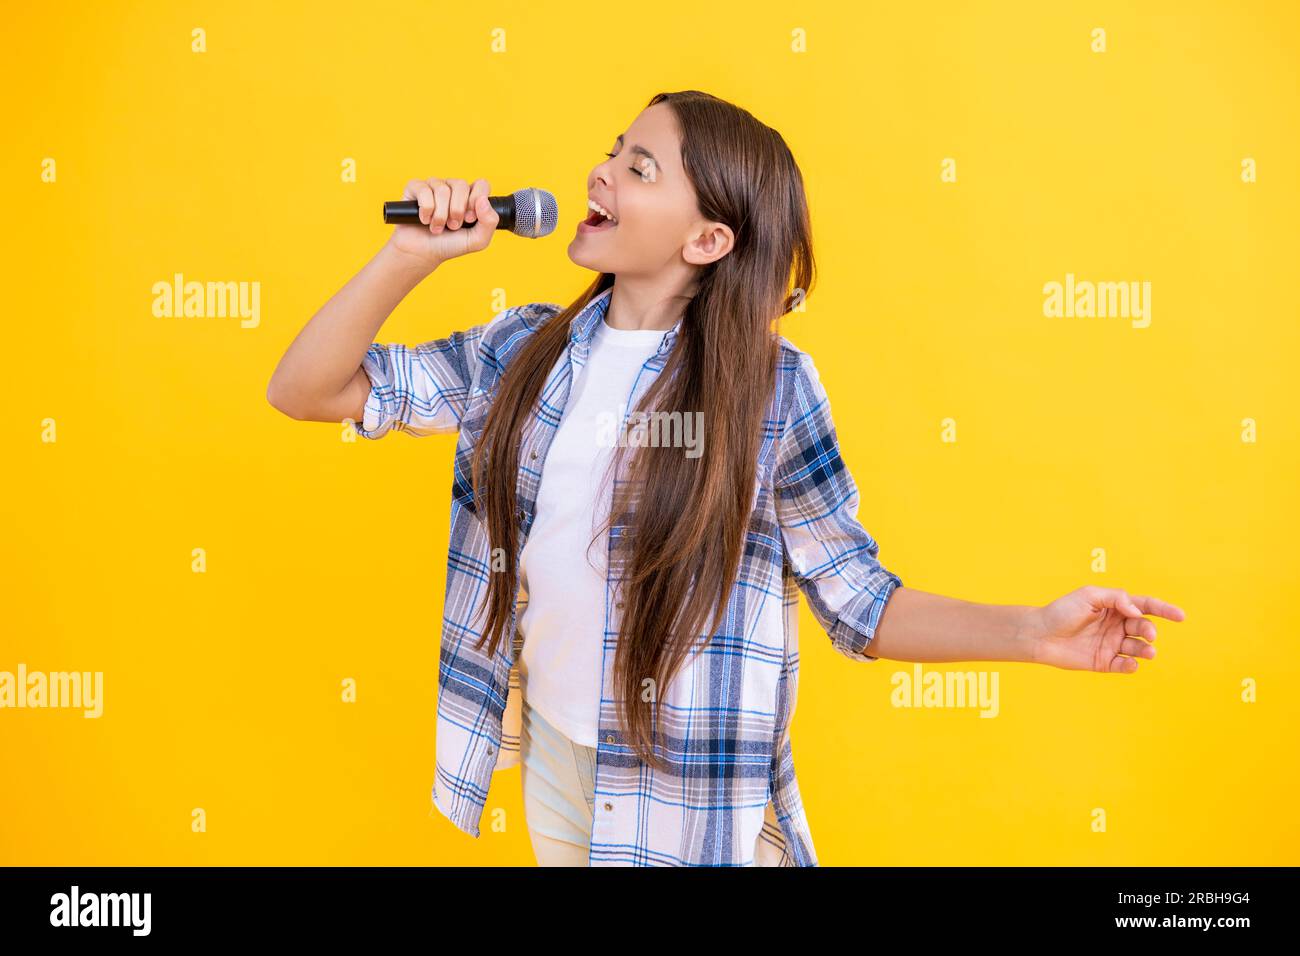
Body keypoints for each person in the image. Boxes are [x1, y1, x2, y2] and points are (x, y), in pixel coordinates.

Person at [266, 90, 1186, 866]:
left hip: (691, 789)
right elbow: (306, 390)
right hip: (554, 759)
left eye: (639, 168)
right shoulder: (521, 351)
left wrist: (1033, 632)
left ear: (708, 239)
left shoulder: (773, 391)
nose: (601, 174)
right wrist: (410, 255)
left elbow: (857, 600)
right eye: (612, 153)